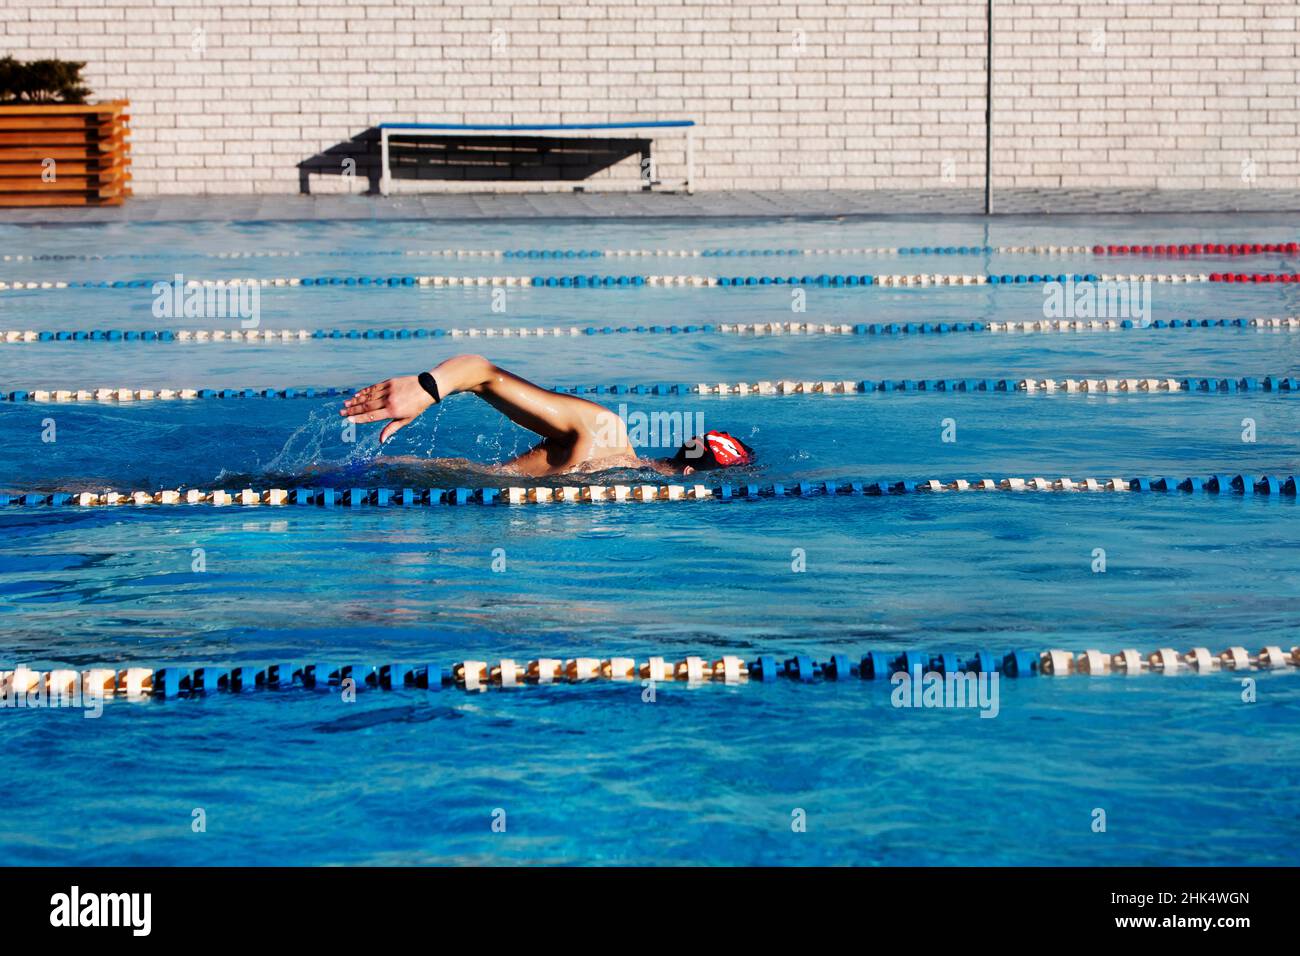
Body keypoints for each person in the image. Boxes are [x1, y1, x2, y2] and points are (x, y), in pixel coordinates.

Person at [340, 354, 754, 478]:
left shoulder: (615, 464)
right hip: (396, 492)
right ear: (688, 478)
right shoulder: (604, 434)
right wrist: (428, 388)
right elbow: (480, 373)